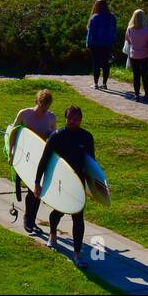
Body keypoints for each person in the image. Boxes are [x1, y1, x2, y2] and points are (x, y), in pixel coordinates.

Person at [35, 105, 96, 269]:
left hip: (78, 183)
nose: (73, 121)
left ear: (81, 120)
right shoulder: (56, 136)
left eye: (76, 119)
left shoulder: (87, 137)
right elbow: (44, 160)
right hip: (60, 181)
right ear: (65, 117)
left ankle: (77, 254)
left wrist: (93, 188)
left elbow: (91, 164)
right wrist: (37, 183)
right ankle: (53, 234)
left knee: (78, 217)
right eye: (70, 118)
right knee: (59, 211)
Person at [13, 90, 57, 234]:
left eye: (47, 107)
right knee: (32, 190)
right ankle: (28, 219)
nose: (44, 110)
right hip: (25, 157)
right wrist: (11, 154)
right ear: (37, 101)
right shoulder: (24, 114)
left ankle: (31, 220)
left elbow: (53, 139)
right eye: (42, 106)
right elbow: (13, 133)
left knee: (38, 190)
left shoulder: (51, 118)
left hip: (41, 159)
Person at [124, 9, 148, 102]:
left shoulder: (130, 29)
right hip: (146, 55)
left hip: (134, 55)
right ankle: (147, 95)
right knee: (145, 75)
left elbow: (127, 40)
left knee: (136, 76)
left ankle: (136, 96)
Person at [85, 0, 118, 89]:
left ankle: (95, 84)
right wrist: (113, 42)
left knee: (96, 63)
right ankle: (104, 83)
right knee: (106, 64)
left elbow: (90, 32)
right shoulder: (112, 17)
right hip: (107, 44)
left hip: (95, 44)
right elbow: (114, 31)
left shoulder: (95, 17)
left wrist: (87, 43)